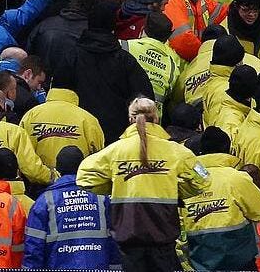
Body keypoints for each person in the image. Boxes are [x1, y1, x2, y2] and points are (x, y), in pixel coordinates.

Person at [76, 97, 209, 272]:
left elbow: (83, 178)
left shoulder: (115, 150)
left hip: (128, 238)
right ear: (156, 118)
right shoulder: (176, 151)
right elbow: (203, 178)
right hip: (163, 239)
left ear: (130, 119)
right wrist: (176, 190)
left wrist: (116, 185)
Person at [62, 2, 155, 143]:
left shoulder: (71, 57)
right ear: (113, 25)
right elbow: (145, 98)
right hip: (117, 137)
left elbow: (58, 96)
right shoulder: (125, 60)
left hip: (77, 134)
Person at [182, 126, 260, 271]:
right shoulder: (238, 179)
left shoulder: (187, 182)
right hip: (239, 262)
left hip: (200, 263)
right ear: (228, 149)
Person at [23, 146, 120, 269]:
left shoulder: (45, 201)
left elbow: (34, 248)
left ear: (57, 169)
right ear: (82, 166)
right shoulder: (102, 197)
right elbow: (115, 241)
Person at [17, 63, 105, 170]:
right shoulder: (88, 120)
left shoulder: (30, 116)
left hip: (37, 183)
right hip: (76, 183)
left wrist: (45, 176)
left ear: (51, 86)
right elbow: (99, 158)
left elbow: (22, 154)